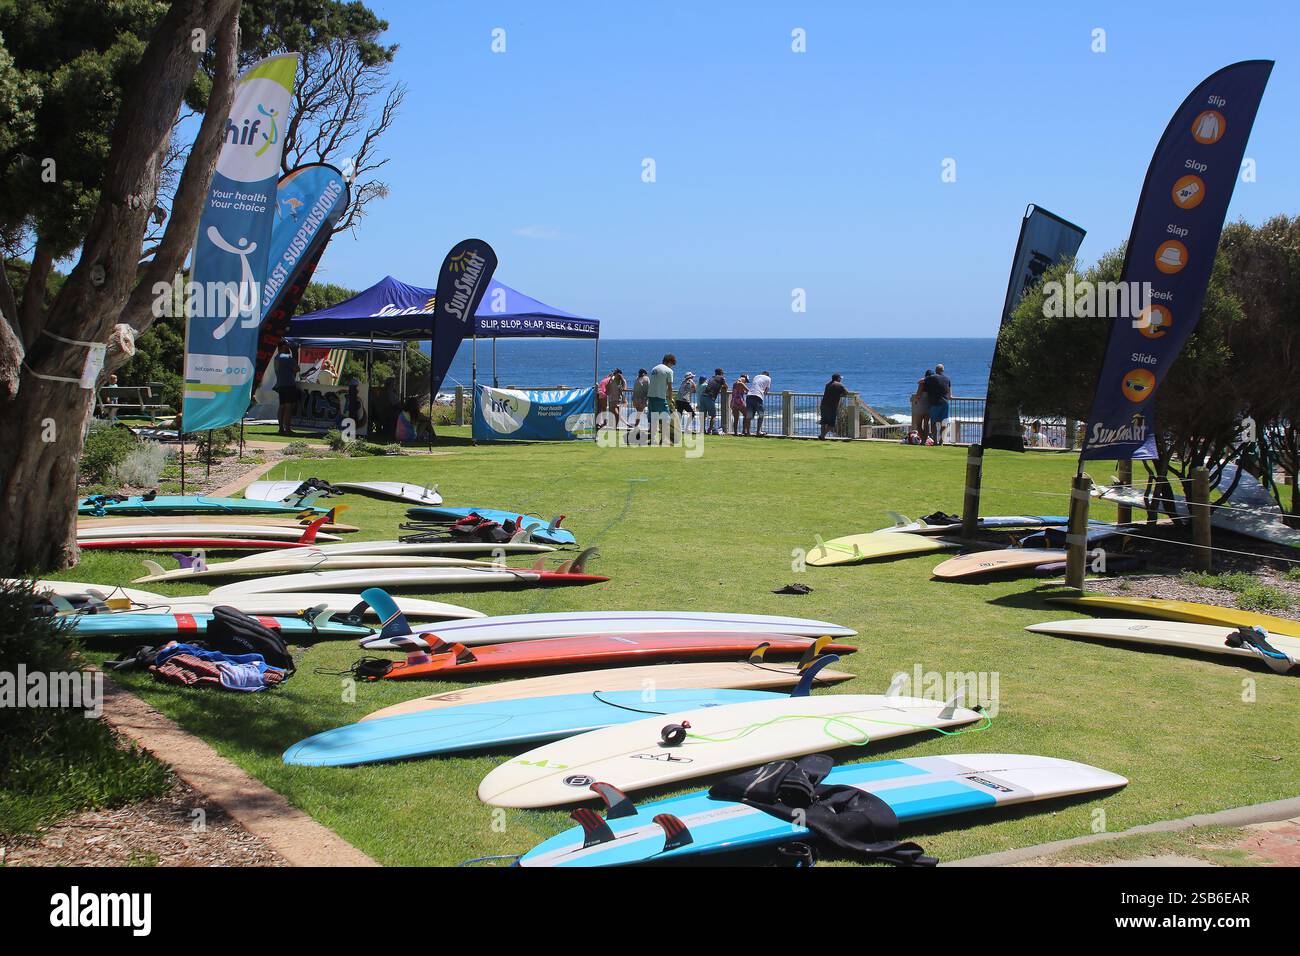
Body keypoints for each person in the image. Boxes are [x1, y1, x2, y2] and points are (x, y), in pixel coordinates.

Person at [648, 354, 676, 445]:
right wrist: (670, 399)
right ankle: (663, 440)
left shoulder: (654, 369)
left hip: (651, 397)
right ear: (670, 362)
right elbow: (670, 387)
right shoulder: (669, 371)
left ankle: (652, 440)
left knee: (654, 420)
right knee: (666, 419)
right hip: (661, 398)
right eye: (672, 364)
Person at [273, 341, 300, 436]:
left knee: (282, 406)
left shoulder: (277, 357)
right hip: (289, 384)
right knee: (288, 407)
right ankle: (287, 428)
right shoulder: (287, 357)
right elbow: (296, 369)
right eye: (288, 347)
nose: (289, 349)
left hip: (281, 384)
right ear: (284, 347)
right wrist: (295, 355)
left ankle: (281, 428)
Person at [925, 363, 952, 445]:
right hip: (945, 403)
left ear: (936, 370)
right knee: (943, 423)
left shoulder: (932, 377)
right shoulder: (947, 379)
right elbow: (950, 394)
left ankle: (935, 441)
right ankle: (941, 441)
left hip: (935, 403)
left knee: (933, 423)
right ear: (943, 370)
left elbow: (922, 381)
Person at [819, 373, 848, 440]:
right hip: (832, 406)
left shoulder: (827, 384)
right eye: (840, 378)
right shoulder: (839, 385)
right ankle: (822, 435)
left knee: (823, 422)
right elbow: (846, 393)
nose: (841, 379)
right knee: (831, 424)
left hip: (823, 405)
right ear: (837, 378)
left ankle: (822, 436)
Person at [700, 368, 727, 435]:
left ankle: (702, 430)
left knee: (703, 415)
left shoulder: (712, 378)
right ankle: (710, 430)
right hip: (710, 397)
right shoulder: (721, 378)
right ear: (721, 373)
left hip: (703, 396)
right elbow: (726, 386)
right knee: (713, 415)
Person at [746, 370, 771, 436]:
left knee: (749, 415)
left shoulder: (756, 376)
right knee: (761, 414)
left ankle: (748, 432)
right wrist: (764, 394)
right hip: (758, 396)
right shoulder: (768, 378)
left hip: (749, 395)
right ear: (767, 375)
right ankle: (758, 431)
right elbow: (766, 390)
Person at [912, 370, 932, 442]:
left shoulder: (922, 383)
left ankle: (923, 440)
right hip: (929, 406)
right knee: (926, 424)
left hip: (921, 406)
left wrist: (915, 401)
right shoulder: (933, 385)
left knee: (918, 425)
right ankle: (925, 440)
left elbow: (918, 395)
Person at [629, 368, 650, 434]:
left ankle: (637, 425)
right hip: (642, 399)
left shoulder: (637, 379)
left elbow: (634, 389)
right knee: (639, 413)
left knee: (639, 413)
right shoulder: (646, 379)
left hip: (635, 399)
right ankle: (636, 426)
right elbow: (649, 389)